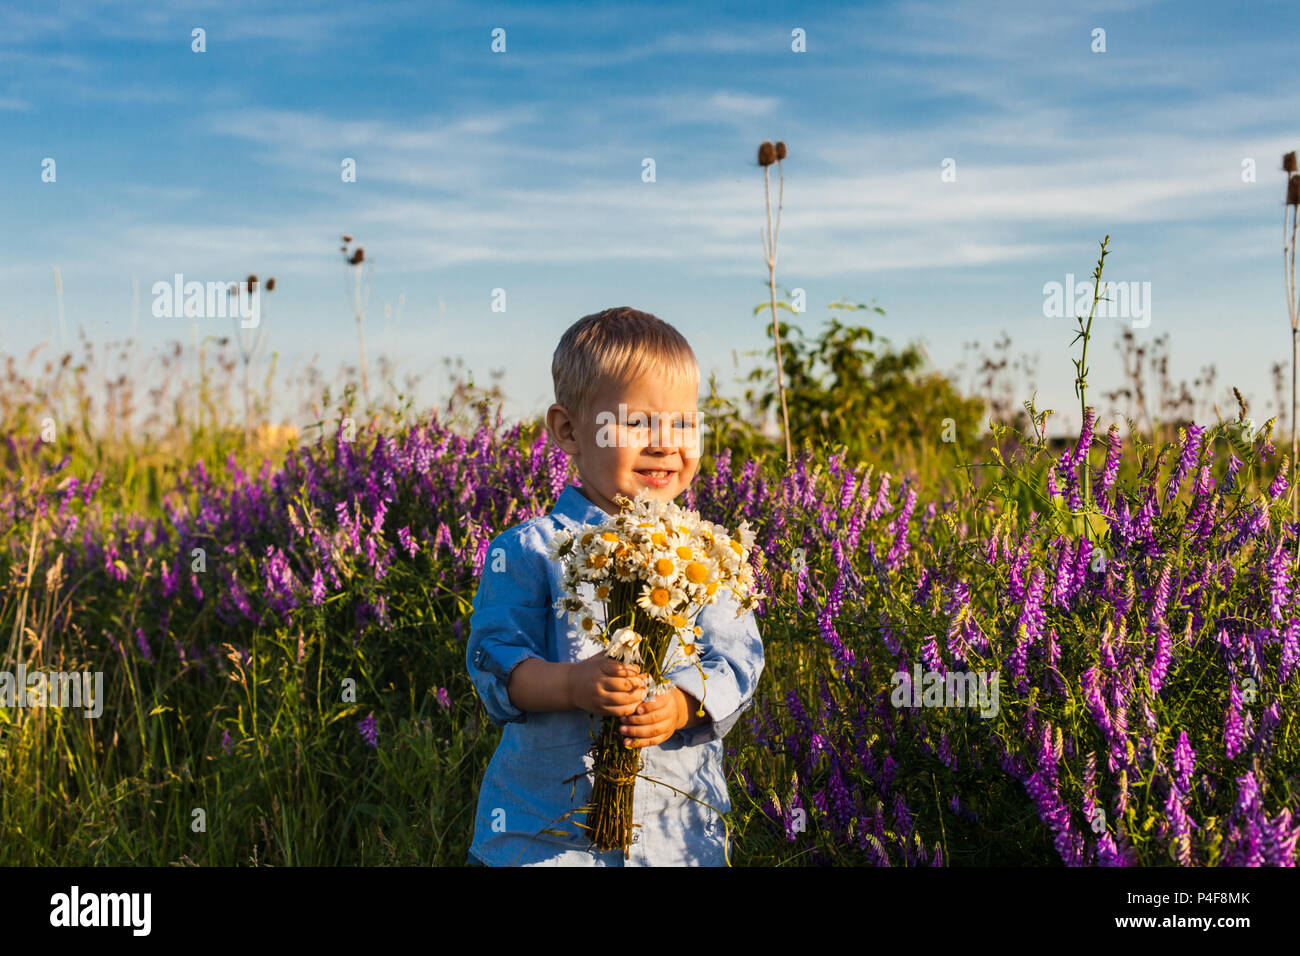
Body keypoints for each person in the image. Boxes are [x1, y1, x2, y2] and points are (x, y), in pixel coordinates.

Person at [464, 306, 765, 866]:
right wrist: (572, 684)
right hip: (543, 841)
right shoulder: (529, 550)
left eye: (681, 422)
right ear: (569, 429)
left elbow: (738, 661)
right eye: (634, 422)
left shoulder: (706, 557)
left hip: (676, 841)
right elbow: (494, 660)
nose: (663, 443)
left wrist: (681, 706)